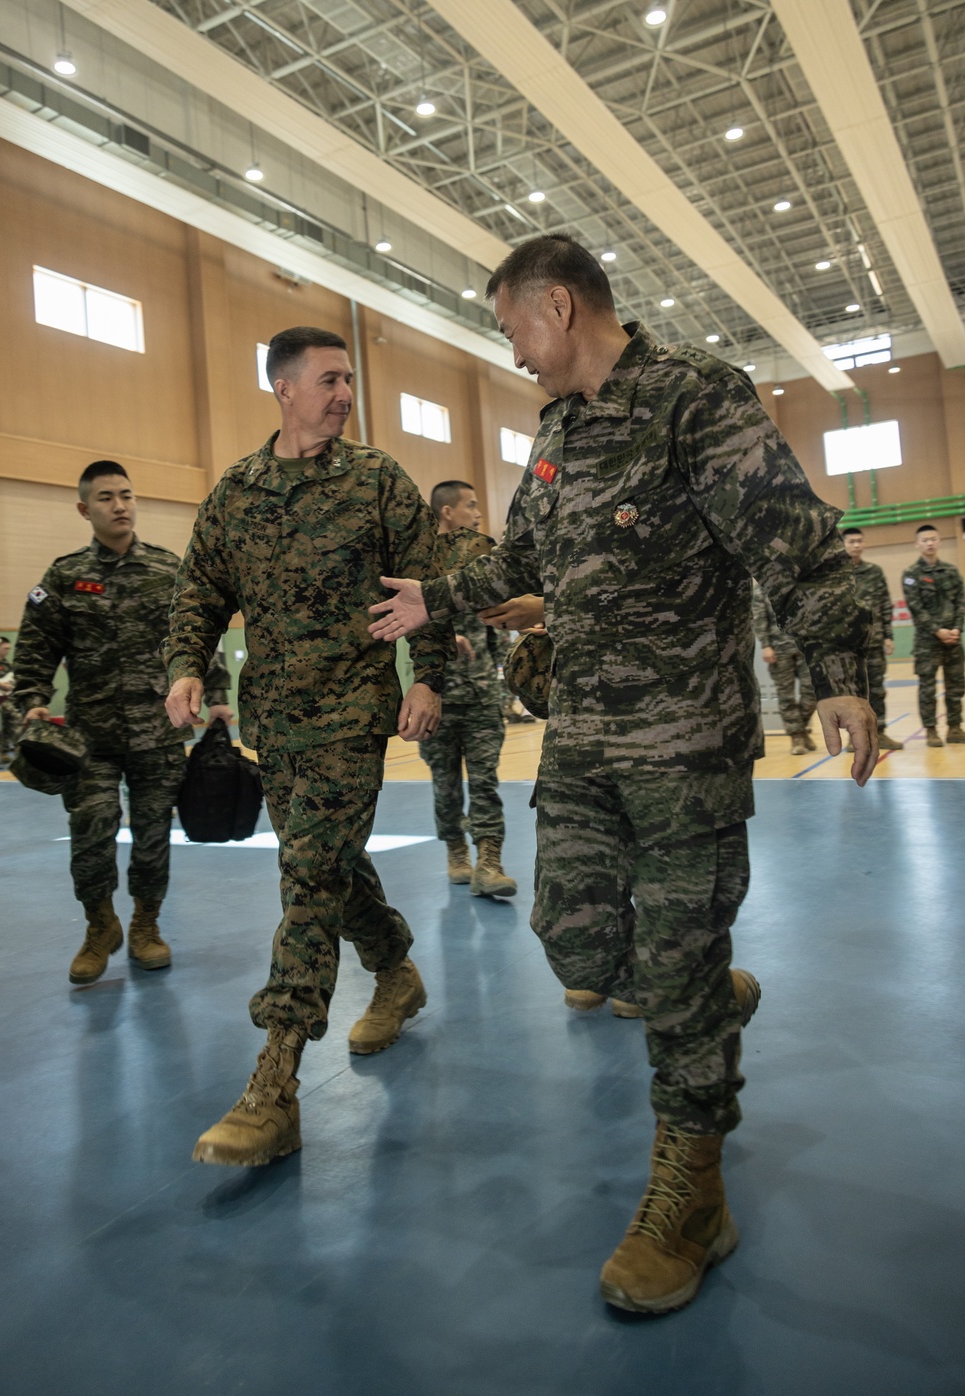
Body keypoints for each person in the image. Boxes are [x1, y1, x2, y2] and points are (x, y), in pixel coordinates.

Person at [368, 233, 877, 1315]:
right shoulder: (553, 433)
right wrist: (436, 596)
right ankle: (697, 994)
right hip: (585, 739)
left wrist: (837, 673)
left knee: (676, 961)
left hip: (685, 742)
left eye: (513, 329)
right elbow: (517, 563)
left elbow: (796, 543)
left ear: (558, 306)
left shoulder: (694, 396)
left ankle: (694, 1193)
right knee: (575, 939)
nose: (514, 354)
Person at [164, 325, 455, 1169]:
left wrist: (426, 676)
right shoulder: (237, 491)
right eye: (328, 379)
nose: (343, 394)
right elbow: (200, 591)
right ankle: (394, 968)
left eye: (348, 380)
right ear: (283, 388)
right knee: (324, 863)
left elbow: (425, 587)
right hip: (274, 724)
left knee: (309, 877)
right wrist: (188, 665)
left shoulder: (376, 481)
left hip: (354, 715)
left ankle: (277, 1080)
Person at [11, 459, 232, 985]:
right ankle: (98, 924)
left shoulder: (165, 569)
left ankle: (146, 926)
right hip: (90, 739)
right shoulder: (65, 576)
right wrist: (33, 700)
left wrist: (218, 694)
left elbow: (197, 634)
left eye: (127, 495)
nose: (120, 505)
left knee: (153, 835)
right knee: (91, 831)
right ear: (85, 509)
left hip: (158, 734)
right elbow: (36, 648)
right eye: (107, 497)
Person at [420, 481, 517, 896]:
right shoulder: (421, 561)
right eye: (471, 505)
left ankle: (489, 861)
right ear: (446, 511)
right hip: (436, 698)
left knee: (485, 783)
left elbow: (498, 620)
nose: (478, 513)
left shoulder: (484, 558)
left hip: (480, 697)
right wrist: (443, 641)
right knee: (445, 786)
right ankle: (457, 852)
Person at [902, 523, 965, 747]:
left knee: (956, 686)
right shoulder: (911, 575)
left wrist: (957, 628)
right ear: (918, 544)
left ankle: (955, 727)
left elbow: (961, 603)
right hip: (927, 643)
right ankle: (931, 730)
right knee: (927, 688)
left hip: (953, 641)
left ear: (939, 541)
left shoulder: (951, 571)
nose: (930, 543)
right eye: (925, 540)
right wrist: (939, 631)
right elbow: (916, 609)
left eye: (933, 539)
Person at [842, 528, 902, 750]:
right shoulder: (833, 573)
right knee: (852, 693)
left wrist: (888, 635)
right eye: (851, 541)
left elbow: (886, 604)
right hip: (846, 645)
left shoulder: (875, 572)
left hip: (873, 643)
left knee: (876, 689)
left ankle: (880, 733)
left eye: (859, 541)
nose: (856, 545)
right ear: (843, 544)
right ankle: (853, 737)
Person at [751, 582, 817, 755]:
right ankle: (796, 736)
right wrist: (765, 645)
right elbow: (759, 618)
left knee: (813, 691)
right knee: (785, 694)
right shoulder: (763, 587)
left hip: (806, 646)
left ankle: (800, 729)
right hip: (778, 649)